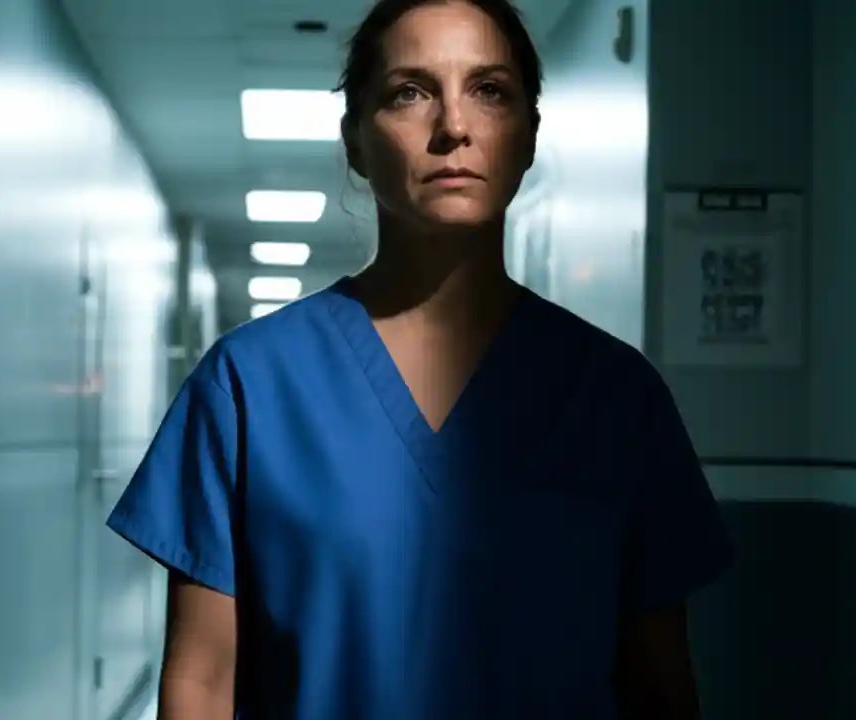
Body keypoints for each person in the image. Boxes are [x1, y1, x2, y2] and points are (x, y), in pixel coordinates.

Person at [107, 0, 735, 717]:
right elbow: (201, 682)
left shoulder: (619, 399)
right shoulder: (249, 385)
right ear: (354, 140)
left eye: (489, 90)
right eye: (409, 92)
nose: (454, 128)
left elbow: (661, 689)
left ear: (529, 134)